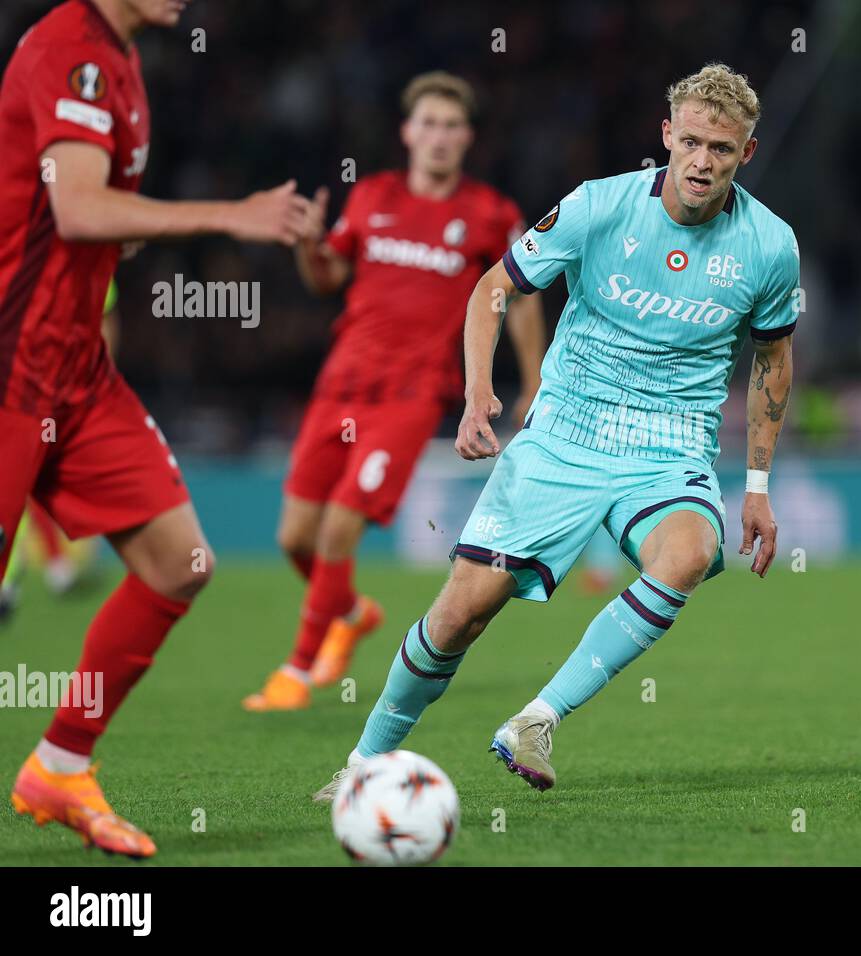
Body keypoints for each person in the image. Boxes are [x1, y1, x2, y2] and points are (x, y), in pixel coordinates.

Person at [315, 63, 797, 799]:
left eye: (722, 150)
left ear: (747, 155)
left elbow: (773, 362)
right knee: (460, 615)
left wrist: (757, 485)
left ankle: (536, 719)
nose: (702, 163)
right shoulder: (599, 207)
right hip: (567, 429)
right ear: (667, 135)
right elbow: (494, 288)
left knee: (690, 551)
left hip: (672, 447)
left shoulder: (769, 245)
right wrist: (479, 395)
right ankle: (363, 764)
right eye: (692, 142)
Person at [1, 0, 315, 857]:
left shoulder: (124, 59)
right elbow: (80, 212)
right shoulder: (73, 52)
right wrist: (229, 215)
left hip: (76, 370)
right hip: (9, 365)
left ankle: (60, 764)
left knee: (181, 562)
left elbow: (70, 219)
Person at [242, 71, 544, 711]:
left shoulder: (490, 214)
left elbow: (514, 296)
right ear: (408, 132)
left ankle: (296, 669)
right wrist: (307, 245)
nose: (438, 137)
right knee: (294, 537)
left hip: (411, 397)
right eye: (427, 123)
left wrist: (533, 377)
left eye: (451, 126)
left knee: (340, 526)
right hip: (340, 386)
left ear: (467, 138)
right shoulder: (372, 195)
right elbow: (328, 276)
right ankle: (348, 612)